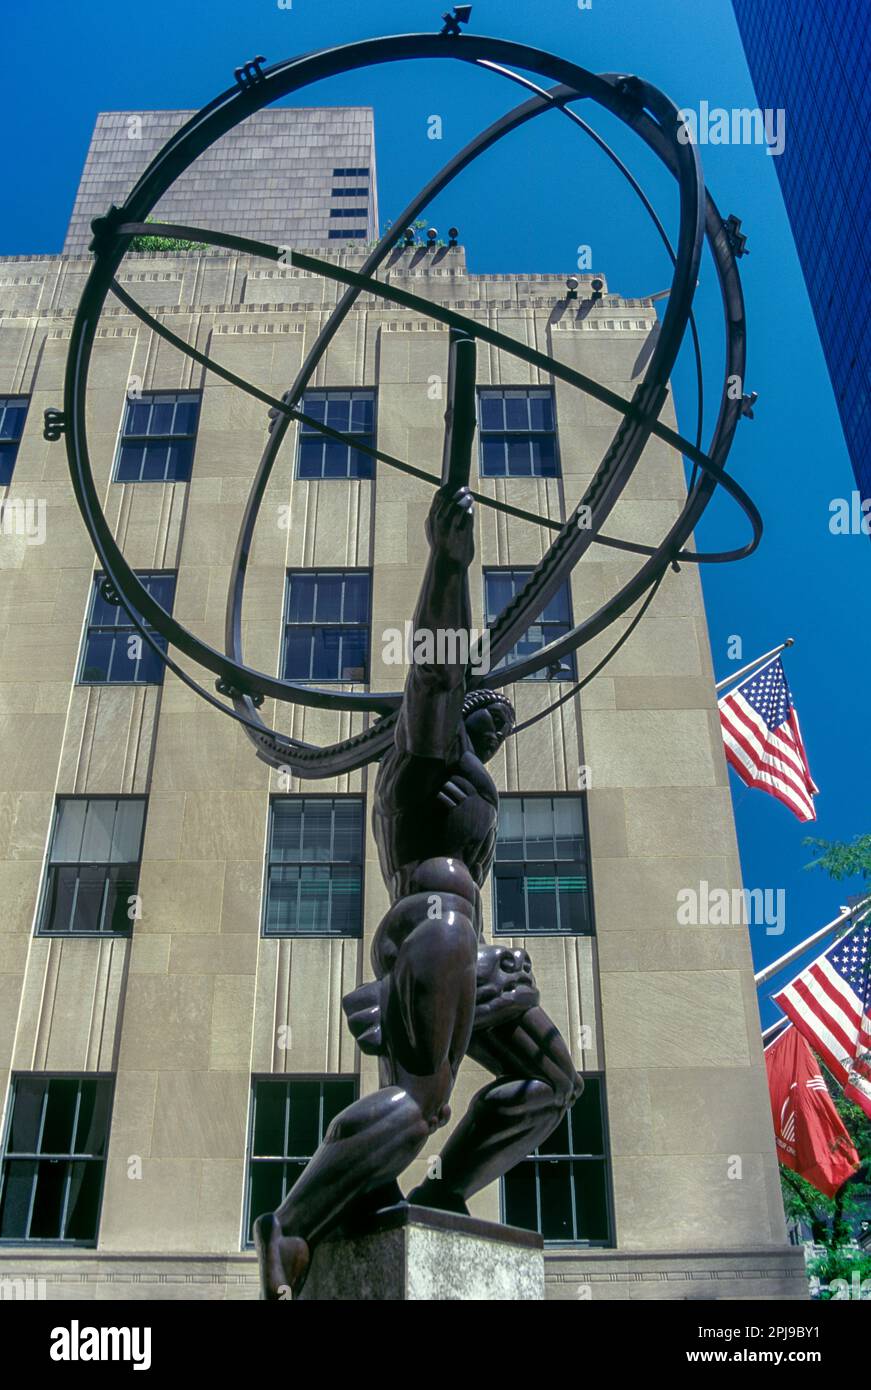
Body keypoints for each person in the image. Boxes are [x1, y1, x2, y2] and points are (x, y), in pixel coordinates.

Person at [255, 485, 582, 1299]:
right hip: (431, 926)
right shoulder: (423, 756)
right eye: (490, 716)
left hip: (462, 937)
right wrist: (448, 558)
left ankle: (438, 1195)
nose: (500, 727)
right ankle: (291, 1226)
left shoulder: (464, 780)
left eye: (505, 722)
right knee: (418, 1100)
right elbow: (435, 672)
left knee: (553, 1085)